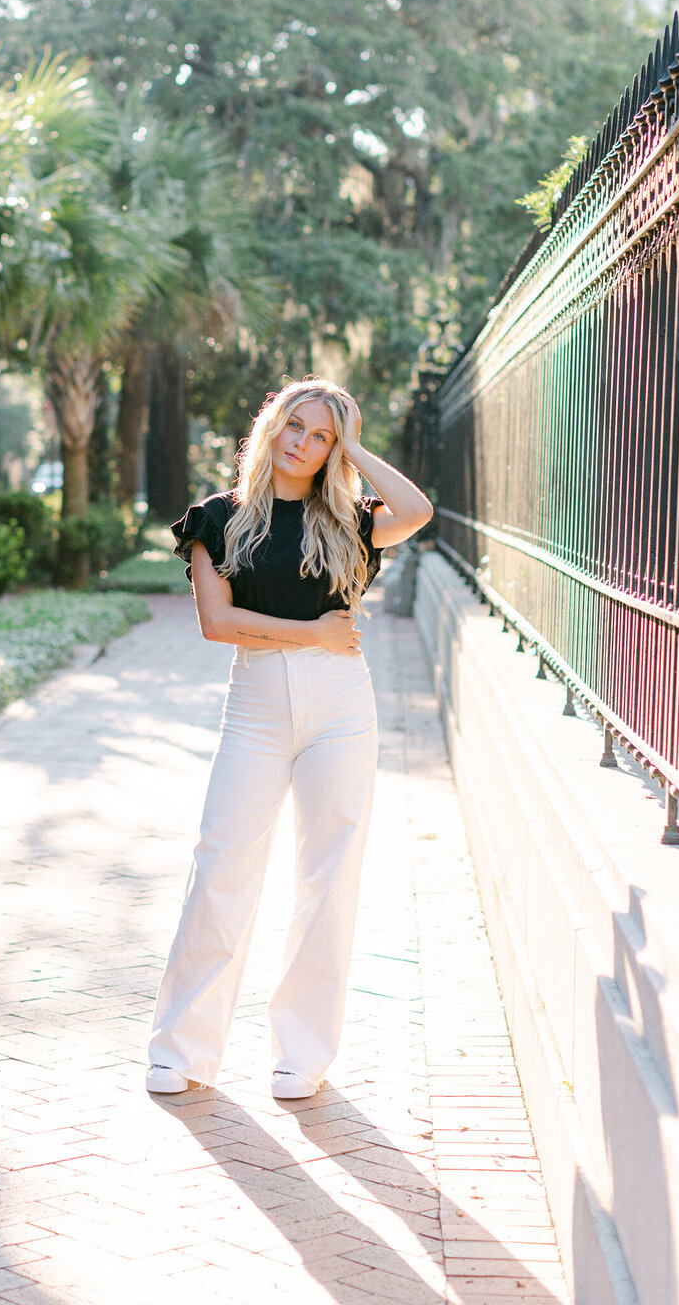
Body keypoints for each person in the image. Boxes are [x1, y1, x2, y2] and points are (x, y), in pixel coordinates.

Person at [146, 377, 433, 1099]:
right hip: (256, 702)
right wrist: (311, 632)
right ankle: (181, 1050)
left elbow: (417, 511)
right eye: (295, 426)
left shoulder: (350, 521)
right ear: (271, 427)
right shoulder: (220, 518)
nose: (304, 443)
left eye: (322, 436)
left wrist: (356, 446)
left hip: (341, 705)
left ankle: (301, 1056)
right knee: (221, 862)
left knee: (328, 875)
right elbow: (217, 623)